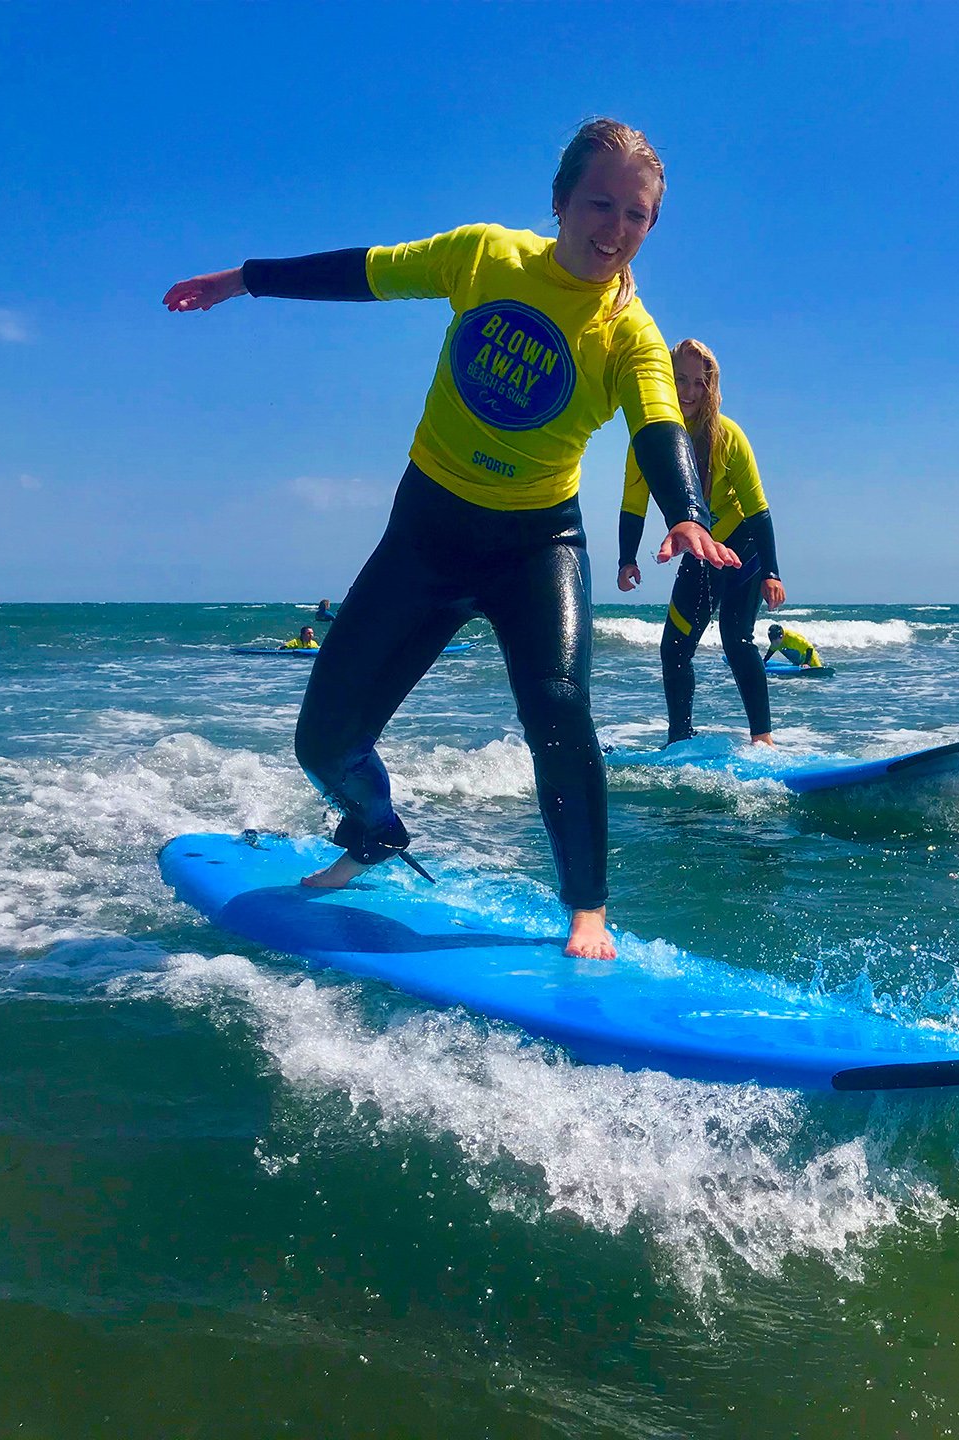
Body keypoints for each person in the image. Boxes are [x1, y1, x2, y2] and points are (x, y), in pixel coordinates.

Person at [163, 119, 736, 960]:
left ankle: (587, 909)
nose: (615, 229)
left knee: (558, 707)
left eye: (637, 215)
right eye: (599, 203)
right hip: (428, 532)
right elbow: (367, 273)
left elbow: (657, 421)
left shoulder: (630, 335)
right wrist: (243, 281)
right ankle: (374, 830)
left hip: (536, 547)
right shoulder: (484, 258)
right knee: (322, 741)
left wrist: (685, 510)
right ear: (559, 203)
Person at [618, 339, 785, 745]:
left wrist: (772, 572)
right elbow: (633, 503)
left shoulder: (730, 437)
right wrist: (627, 559)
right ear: (664, 380)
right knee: (674, 648)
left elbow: (759, 510)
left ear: (711, 388)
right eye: (679, 380)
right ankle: (680, 739)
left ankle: (762, 738)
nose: (689, 392)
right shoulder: (650, 440)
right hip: (699, 553)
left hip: (742, 549)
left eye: (699, 382)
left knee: (736, 638)